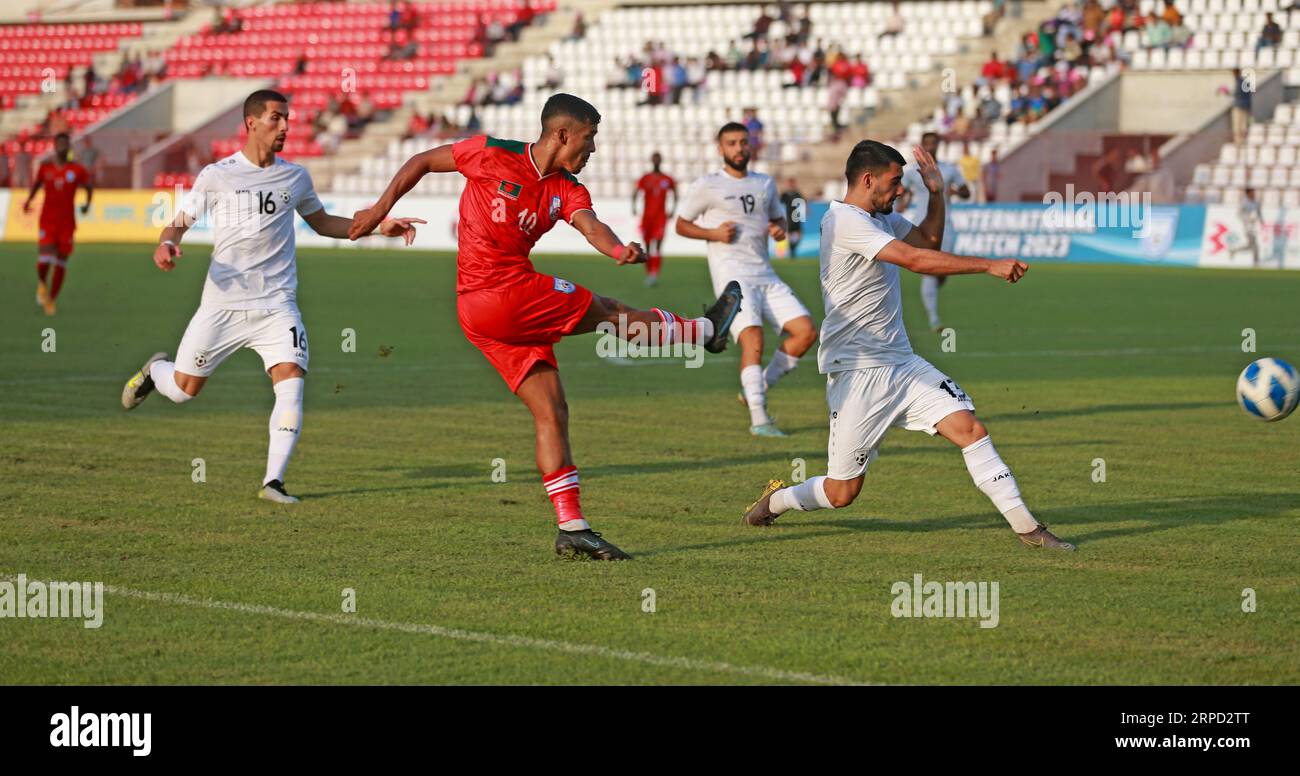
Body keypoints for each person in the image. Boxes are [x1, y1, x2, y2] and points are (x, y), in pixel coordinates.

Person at [346, 93, 744, 561]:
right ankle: (705, 332)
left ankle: (571, 526)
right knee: (608, 312)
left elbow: (590, 225)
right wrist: (377, 211)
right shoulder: (491, 152)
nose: (593, 149)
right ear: (562, 134)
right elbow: (423, 160)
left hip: (484, 316)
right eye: (589, 138)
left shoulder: (566, 188)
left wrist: (616, 250)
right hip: (502, 294)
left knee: (552, 410)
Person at [741, 140, 1074, 552]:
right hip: (857, 371)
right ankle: (778, 500)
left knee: (970, 428)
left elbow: (928, 243)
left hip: (901, 362)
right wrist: (988, 264)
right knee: (841, 493)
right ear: (867, 179)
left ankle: (1029, 529)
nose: (900, 190)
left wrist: (937, 193)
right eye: (894, 181)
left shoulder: (882, 218)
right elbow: (914, 261)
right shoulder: (844, 222)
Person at [119, 90, 424, 504]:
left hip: (278, 306)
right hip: (222, 305)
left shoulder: (295, 177)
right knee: (183, 390)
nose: (285, 127)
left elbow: (323, 223)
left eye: (288, 119)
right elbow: (177, 225)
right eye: (276, 118)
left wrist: (377, 225)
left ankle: (273, 483)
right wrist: (166, 244)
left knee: (291, 382)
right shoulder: (217, 175)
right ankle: (156, 371)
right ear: (251, 123)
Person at [676, 122, 818, 438]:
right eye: (731, 143)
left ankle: (757, 386)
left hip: (765, 272)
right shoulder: (708, 185)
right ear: (720, 148)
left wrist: (779, 227)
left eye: (743, 142)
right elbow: (681, 225)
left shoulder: (764, 183)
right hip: (732, 275)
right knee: (753, 339)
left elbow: (778, 217)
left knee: (806, 331)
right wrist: (711, 233)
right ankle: (760, 418)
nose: (739, 148)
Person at [899, 132, 969, 331]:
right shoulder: (912, 171)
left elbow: (966, 192)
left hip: (945, 224)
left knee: (942, 270)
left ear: (939, 145)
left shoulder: (949, 169)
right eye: (927, 143)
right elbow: (902, 191)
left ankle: (934, 287)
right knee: (930, 270)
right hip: (921, 224)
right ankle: (934, 318)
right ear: (921, 146)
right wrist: (903, 203)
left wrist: (955, 191)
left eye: (934, 143)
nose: (930, 147)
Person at [23, 132, 92, 316]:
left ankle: (51, 300)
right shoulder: (45, 169)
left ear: (69, 147)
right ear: (54, 146)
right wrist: (28, 201)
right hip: (47, 220)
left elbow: (89, 186)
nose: (62, 147)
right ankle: (43, 283)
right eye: (59, 144)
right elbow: (37, 185)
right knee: (44, 261)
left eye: (65, 144)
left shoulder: (77, 170)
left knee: (61, 262)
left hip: (67, 223)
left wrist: (87, 204)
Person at [632, 151, 677, 286]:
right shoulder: (645, 178)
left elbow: (675, 193)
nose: (656, 161)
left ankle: (654, 274)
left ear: (661, 161)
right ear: (652, 161)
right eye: (654, 159)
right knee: (646, 246)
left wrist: (673, 209)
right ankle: (649, 274)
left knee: (657, 245)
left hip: (660, 217)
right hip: (647, 217)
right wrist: (633, 207)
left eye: (658, 159)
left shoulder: (667, 179)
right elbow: (636, 192)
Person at [779, 178, 805, 257]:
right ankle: (790, 252)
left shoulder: (798, 194)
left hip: (796, 219)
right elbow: (779, 205)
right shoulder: (784, 195)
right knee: (788, 237)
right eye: (789, 183)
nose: (790, 185)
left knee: (798, 237)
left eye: (791, 183)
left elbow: (803, 204)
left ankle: (792, 249)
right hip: (788, 220)